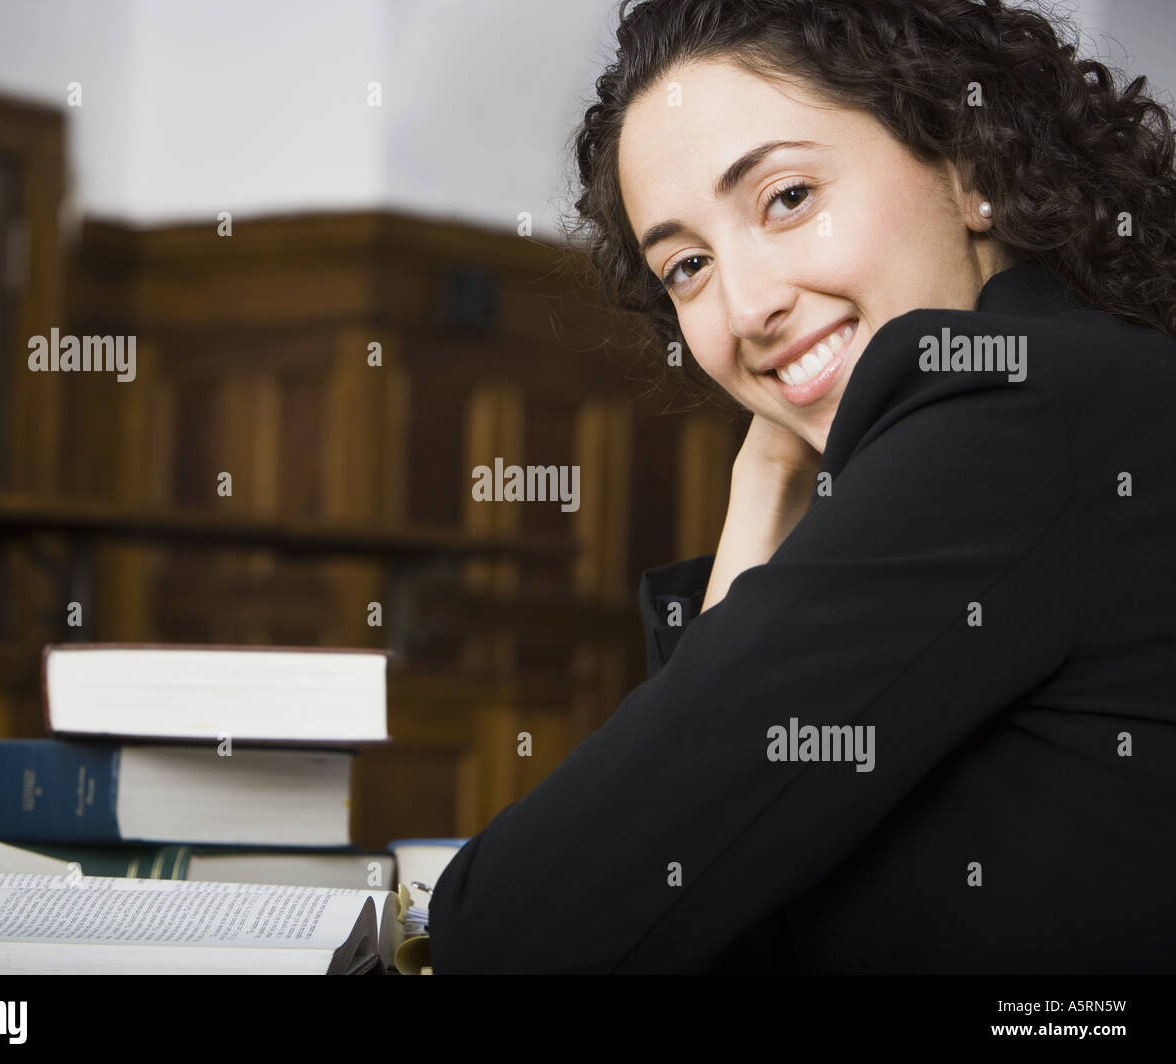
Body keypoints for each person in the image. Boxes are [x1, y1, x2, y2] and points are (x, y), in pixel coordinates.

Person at [427, 0, 1176, 973]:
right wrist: (762, 481)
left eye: (786, 197)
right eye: (687, 266)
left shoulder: (1013, 410)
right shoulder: (1085, 387)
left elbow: (511, 929)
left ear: (974, 168)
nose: (746, 307)